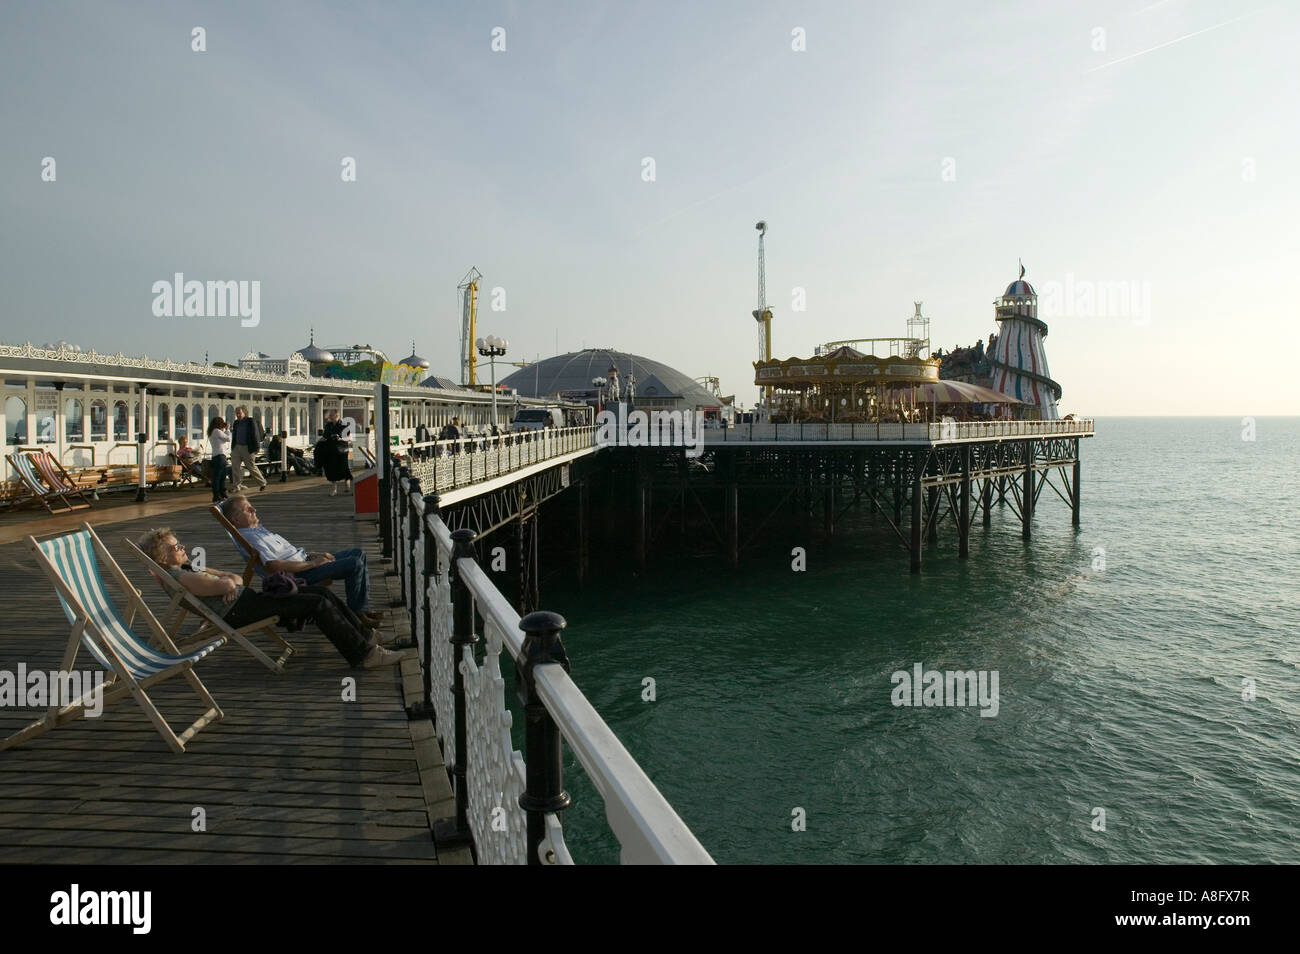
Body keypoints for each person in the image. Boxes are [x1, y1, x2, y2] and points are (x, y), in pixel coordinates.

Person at [137, 527, 404, 669]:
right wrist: (226, 582)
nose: (183, 549)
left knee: (321, 591)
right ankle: (364, 656)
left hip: (246, 601)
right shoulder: (182, 578)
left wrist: (228, 581)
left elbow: (233, 578)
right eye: (176, 547)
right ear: (162, 555)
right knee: (317, 603)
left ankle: (367, 639)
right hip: (242, 611)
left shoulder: (186, 569)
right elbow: (224, 584)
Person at [219, 494, 382, 625]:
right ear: (236, 520)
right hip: (297, 574)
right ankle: (357, 614)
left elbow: (288, 553)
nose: (254, 509)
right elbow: (273, 566)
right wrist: (312, 563)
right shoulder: (251, 538)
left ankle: (362, 609)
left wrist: (313, 555)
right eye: (248, 510)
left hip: (305, 562)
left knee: (358, 553)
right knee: (354, 564)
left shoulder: (257, 531)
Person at [229, 406, 267, 493]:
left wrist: (257, 447)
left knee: (251, 466)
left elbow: (255, 434)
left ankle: (262, 483)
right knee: (235, 467)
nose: (238, 415)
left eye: (239, 413)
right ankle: (236, 485)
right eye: (236, 413)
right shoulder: (236, 423)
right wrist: (233, 447)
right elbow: (234, 435)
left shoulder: (250, 421)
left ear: (244, 413)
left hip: (247, 447)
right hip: (237, 447)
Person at [315, 410, 353, 495]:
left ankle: (347, 486)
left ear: (337, 415)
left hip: (342, 450)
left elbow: (349, 438)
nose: (329, 417)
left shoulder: (344, 425)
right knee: (331, 469)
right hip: (331, 450)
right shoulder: (328, 425)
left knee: (344, 468)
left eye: (331, 415)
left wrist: (340, 438)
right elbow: (325, 437)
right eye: (329, 415)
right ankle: (334, 490)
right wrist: (318, 443)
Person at [208, 417, 231, 502]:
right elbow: (228, 438)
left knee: (220, 476)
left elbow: (223, 438)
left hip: (216, 456)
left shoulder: (212, 432)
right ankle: (217, 494)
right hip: (220, 456)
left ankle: (220, 493)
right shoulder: (216, 431)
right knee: (219, 477)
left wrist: (224, 430)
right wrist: (228, 429)